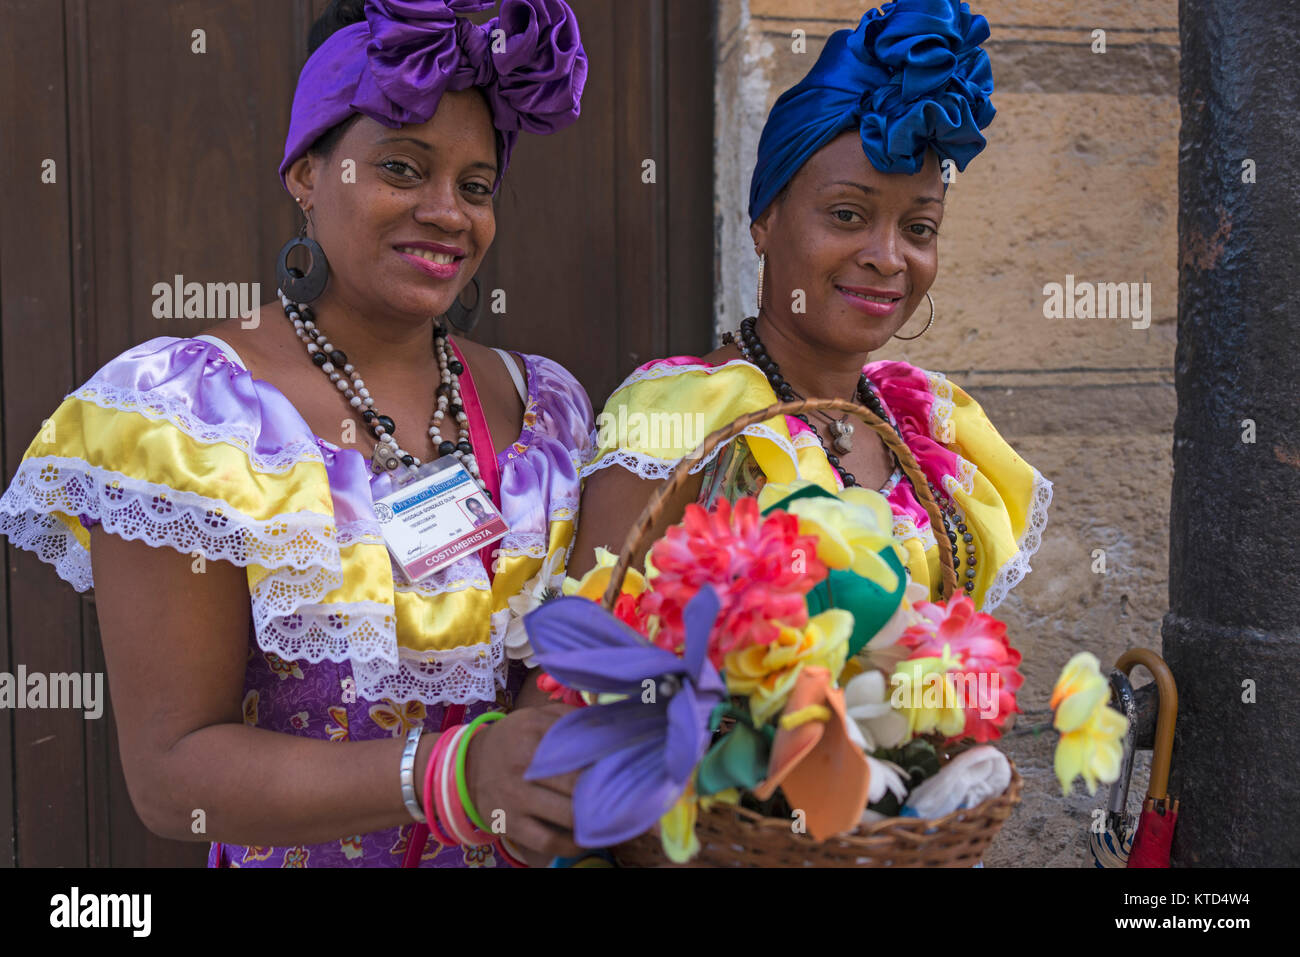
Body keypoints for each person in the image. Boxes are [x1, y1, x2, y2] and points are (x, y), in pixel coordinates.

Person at [0, 0, 592, 868]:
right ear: (306, 174)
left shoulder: (541, 406)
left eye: (475, 186)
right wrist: (445, 775)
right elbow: (173, 775)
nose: (447, 212)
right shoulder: (186, 417)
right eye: (402, 167)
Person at [572, 0, 1052, 613]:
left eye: (919, 228)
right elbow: (587, 673)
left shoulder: (924, 425)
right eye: (847, 215)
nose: (888, 257)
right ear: (766, 220)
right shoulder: (684, 420)